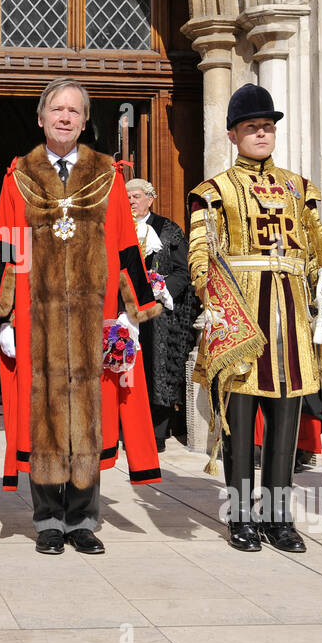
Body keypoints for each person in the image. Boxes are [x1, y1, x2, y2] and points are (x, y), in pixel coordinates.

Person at [0, 79, 163, 557]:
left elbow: (126, 245)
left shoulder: (106, 175)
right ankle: (48, 519)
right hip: (36, 317)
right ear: (41, 118)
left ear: (85, 121)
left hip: (95, 317)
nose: (65, 118)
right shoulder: (18, 176)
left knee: (89, 415)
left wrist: (132, 313)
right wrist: (3, 318)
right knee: (45, 414)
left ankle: (84, 519)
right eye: (56, 110)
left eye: (74, 111)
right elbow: (7, 248)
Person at [188, 84, 322, 553]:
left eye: (268, 126)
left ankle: (278, 516)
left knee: (285, 421)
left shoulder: (300, 188)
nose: (262, 133)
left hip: (294, 317)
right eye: (253, 127)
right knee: (239, 420)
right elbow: (201, 254)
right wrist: (211, 300)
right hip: (242, 314)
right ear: (233, 134)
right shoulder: (213, 191)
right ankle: (240, 515)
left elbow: (320, 252)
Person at [127, 178, 196, 449]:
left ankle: (157, 432)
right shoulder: (117, 228)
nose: (131, 201)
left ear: (150, 199)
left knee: (158, 368)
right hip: (126, 312)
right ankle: (128, 429)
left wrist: (163, 287)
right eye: (128, 197)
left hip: (159, 315)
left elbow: (184, 270)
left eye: (136, 196)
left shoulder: (169, 230)